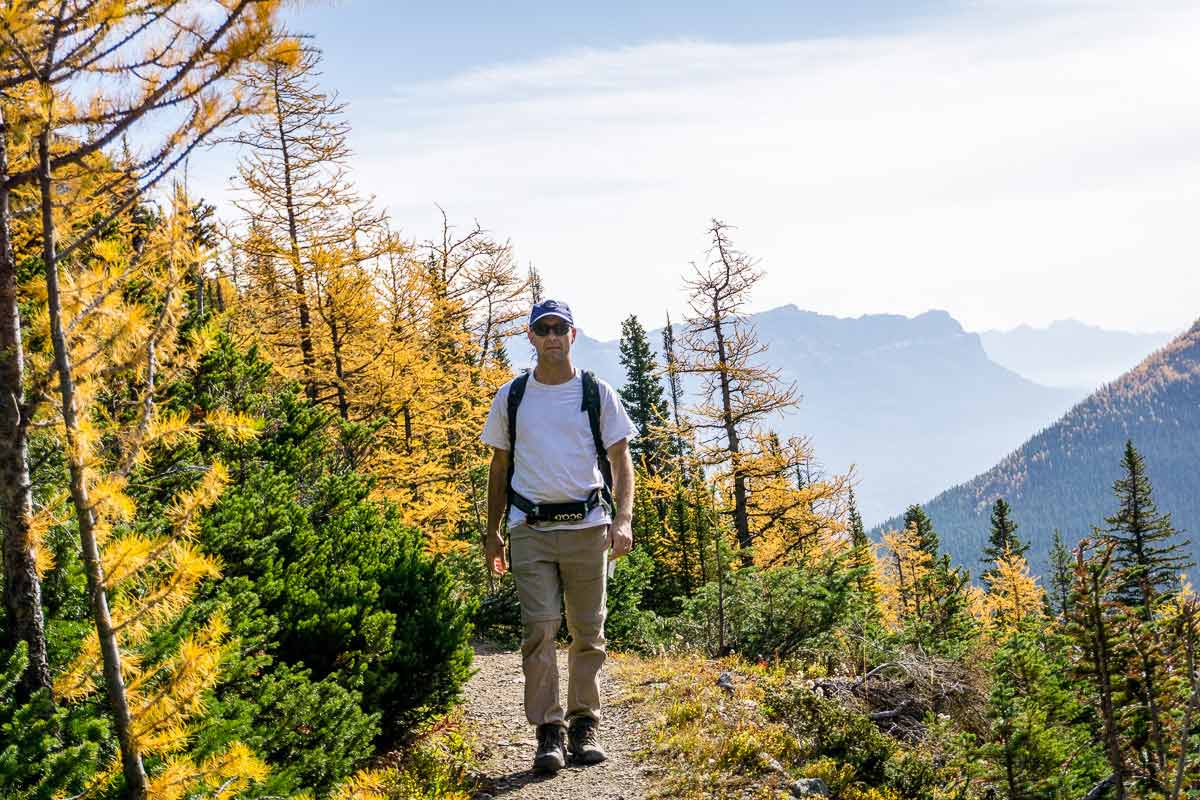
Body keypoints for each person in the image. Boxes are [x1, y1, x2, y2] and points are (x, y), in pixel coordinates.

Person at [481, 298, 636, 773]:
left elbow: (620, 459)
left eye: (559, 328)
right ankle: (549, 733)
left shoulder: (596, 392)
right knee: (540, 629)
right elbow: (499, 466)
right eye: (542, 328)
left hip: (589, 527)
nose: (551, 335)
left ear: (573, 334)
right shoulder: (512, 396)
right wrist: (492, 533)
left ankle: (584, 723)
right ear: (530, 336)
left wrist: (624, 519)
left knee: (589, 632)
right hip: (530, 529)